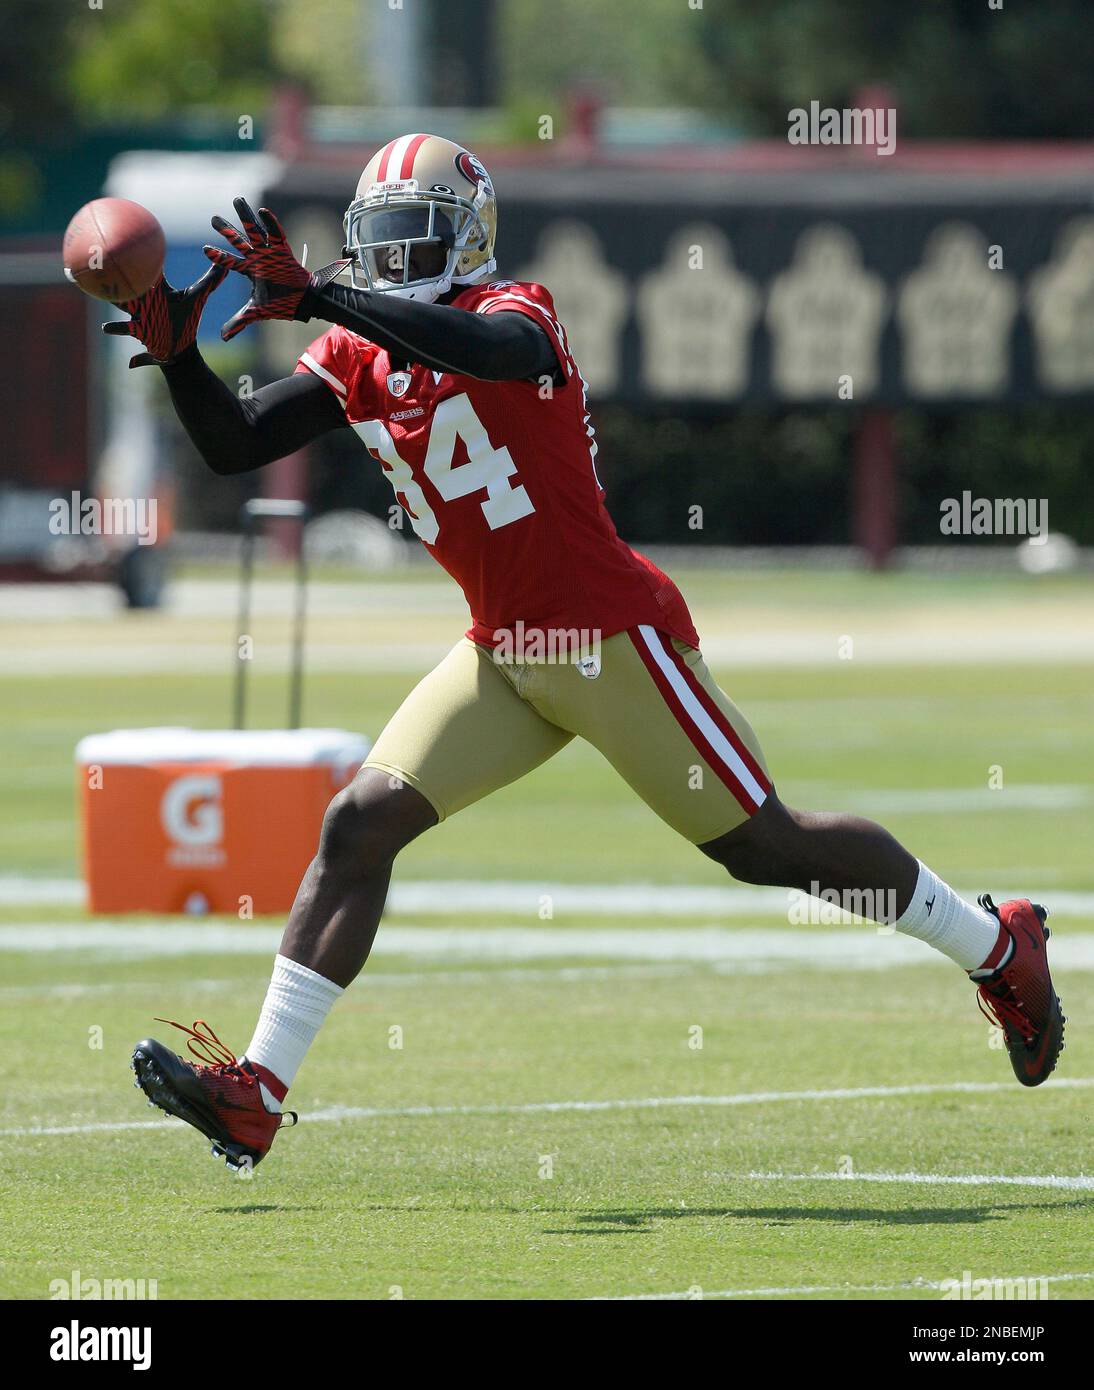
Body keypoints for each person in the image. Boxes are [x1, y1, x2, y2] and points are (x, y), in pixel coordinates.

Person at [114, 135, 1064, 1171]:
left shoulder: (515, 310)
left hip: (610, 636)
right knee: (358, 823)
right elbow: (237, 442)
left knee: (765, 847)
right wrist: (178, 355)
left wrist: (324, 298)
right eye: (377, 239)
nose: (392, 257)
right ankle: (256, 1092)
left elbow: (486, 354)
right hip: (502, 647)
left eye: (415, 235)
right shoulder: (353, 349)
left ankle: (996, 943)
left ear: (467, 237)